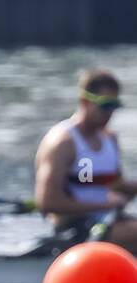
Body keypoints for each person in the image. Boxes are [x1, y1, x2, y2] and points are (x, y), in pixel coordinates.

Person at [34, 69, 137, 254]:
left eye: (115, 105)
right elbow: (47, 202)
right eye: (105, 105)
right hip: (74, 229)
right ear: (84, 101)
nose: (110, 112)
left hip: (108, 222)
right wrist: (105, 205)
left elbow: (117, 186)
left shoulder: (110, 138)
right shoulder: (62, 142)